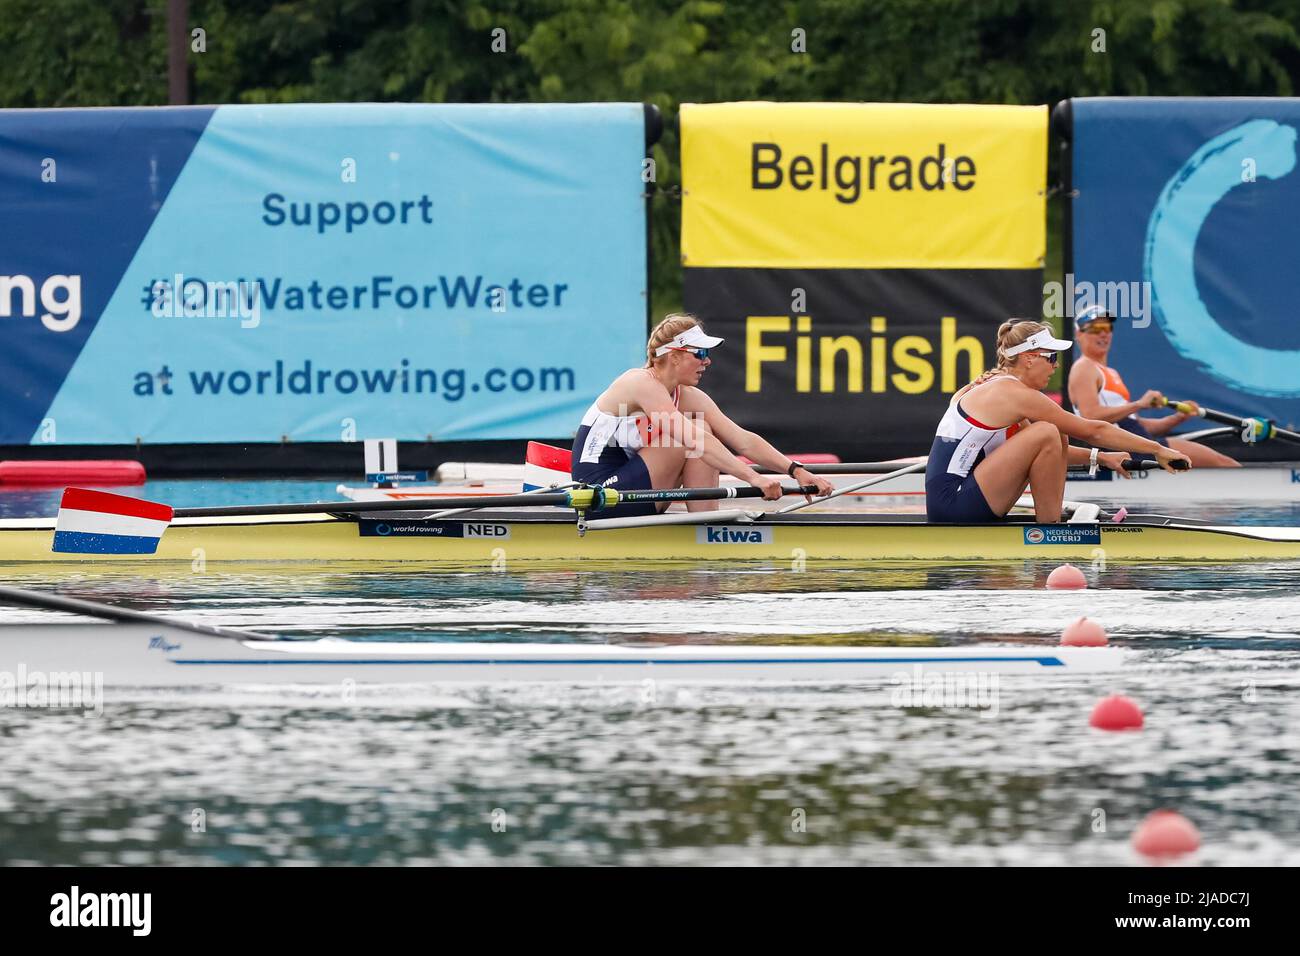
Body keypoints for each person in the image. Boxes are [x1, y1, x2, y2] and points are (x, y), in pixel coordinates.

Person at [926, 319, 1191, 524]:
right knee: (1048, 431)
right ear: (1029, 359)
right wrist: (1158, 449)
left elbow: (1048, 451)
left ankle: (1050, 523)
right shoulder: (1010, 393)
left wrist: (1101, 458)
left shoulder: (999, 389)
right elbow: (1093, 430)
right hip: (954, 502)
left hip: (960, 499)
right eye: (1051, 357)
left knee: (1053, 433)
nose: (1055, 366)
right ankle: (1050, 530)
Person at [572, 314, 835, 516]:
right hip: (596, 496)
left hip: (631, 491)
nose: (707, 361)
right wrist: (754, 478)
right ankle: (707, 528)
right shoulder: (638, 382)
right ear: (674, 357)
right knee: (692, 435)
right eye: (701, 353)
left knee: (700, 429)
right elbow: (693, 439)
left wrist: (796, 470)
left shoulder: (685, 395)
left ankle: (707, 527)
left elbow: (742, 440)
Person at [1068, 305, 1239, 467]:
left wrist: (1177, 418)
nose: (1103, 334)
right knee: (1223, 463)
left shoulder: (1109, 372)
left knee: (1223, 463)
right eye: (1096, 329)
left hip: (1137, 442)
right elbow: (1090, 416)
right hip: (1124, 449)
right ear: (1078, 334)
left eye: (1107, 328)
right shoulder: (1084, 368)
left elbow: (1135, 424)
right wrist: (1139, 404)